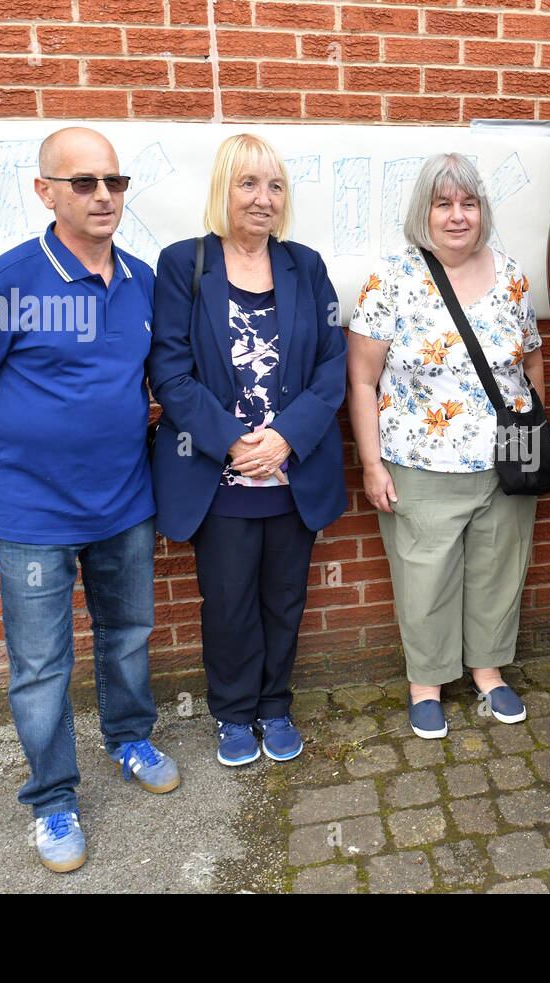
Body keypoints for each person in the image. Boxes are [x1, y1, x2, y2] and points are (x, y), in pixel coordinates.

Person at [0, 127, 179, 873]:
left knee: (127, 632)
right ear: (45, 192)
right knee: (41, 664)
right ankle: (52, 798)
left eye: (115, 180)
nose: (103, 194)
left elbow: (144, 386)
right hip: (34, 514)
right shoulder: (5, 285)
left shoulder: (141, 280)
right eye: (83, 182)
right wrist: (14, 458)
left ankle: (129, 735)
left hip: (125, 503)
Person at [147, 134, 346, 768]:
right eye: (248, 184)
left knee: (284, 598)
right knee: (229, 602)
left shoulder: (305, 266)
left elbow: (332, 367)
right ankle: (233, 714)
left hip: (292, 472)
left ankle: (275, 706)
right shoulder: (185, 263)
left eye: (275, 186)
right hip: (221, 477)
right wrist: (234, 443)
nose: (263, 199)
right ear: (222, 191)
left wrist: (285, 437)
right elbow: (169, 371)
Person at [347, 153, 543, 740]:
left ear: (481, 211)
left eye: (468, 203)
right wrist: (371, 463)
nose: (457, 216)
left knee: (498, 571)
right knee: (424, 577)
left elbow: (531, 358)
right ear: (423, 213)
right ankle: (426, 684)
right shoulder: (394, 278)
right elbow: (361, 378)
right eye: (443, 204)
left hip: (507, 463)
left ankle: (487, 671)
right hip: (419, 464)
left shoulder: (511, 276)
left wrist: (530, 430)